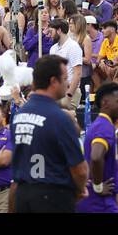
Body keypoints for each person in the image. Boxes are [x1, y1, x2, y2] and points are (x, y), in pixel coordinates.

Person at [10, 55, 87, 212]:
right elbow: (79, 169)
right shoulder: (59, 118)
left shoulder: (19, 115)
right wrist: (80, 189)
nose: (68, 84)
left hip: (23, 194)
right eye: (65, 78)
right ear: (53, 81)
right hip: (53, 196)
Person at [79, 81, 118, 212]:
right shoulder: (104, 126)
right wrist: (98, 186)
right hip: (100, 204)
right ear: (105, 103)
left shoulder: (102, 124)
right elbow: (96, 156)